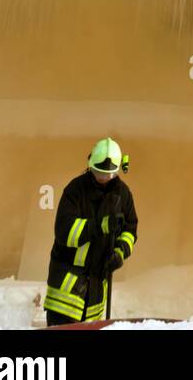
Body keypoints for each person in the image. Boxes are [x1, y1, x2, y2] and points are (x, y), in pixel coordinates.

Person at [44, 137, 138, 326]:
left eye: (108, 174)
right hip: (65, 292)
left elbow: (130, 229)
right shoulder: (75, 190)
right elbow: (64, 232)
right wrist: (100, 226)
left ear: (119, 170)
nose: (103, 178)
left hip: (95, 291)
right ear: (90, 165)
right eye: (98, 172)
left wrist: (119, 253)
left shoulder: (123, 195)